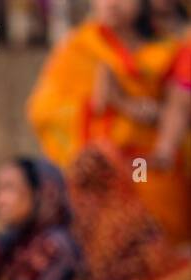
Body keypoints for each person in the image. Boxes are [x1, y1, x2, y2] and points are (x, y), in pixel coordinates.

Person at [28, 0, 191, 245]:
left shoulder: (170, 51)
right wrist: (104, 106)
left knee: (164, 255)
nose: (112, 4)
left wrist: (135, 107)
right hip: (99, 174)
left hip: (153, 171)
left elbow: (180, 103)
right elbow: (43, 111)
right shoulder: (78, 48)